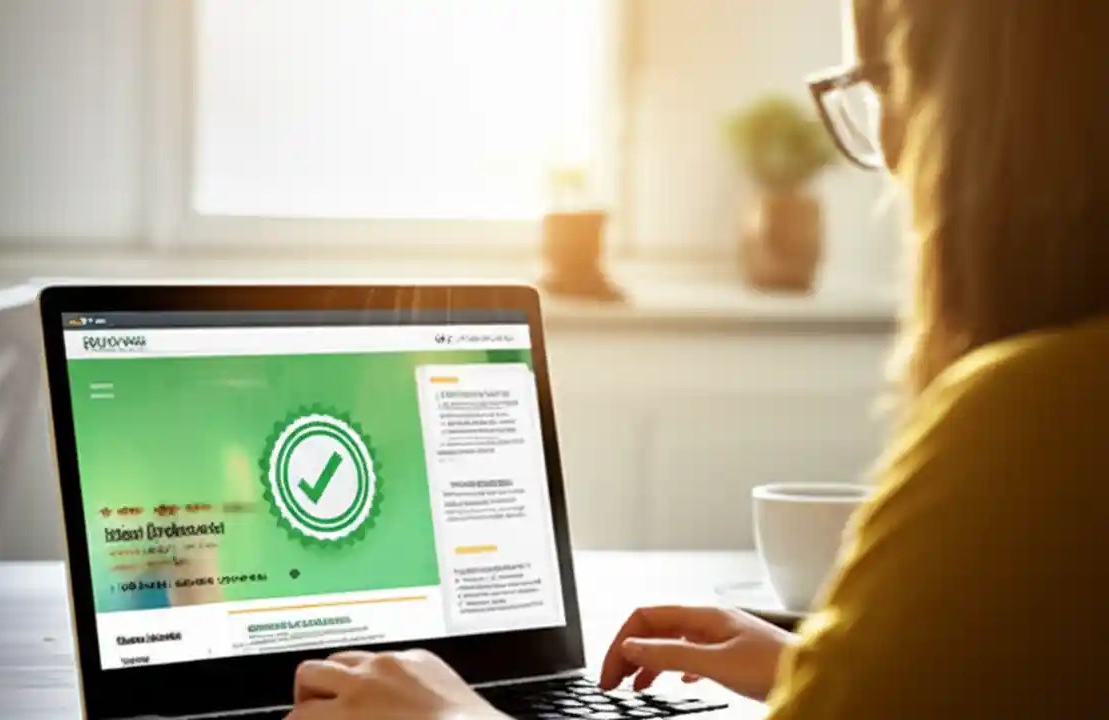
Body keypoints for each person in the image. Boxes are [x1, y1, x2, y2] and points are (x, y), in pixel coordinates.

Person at [287, 0, 1109, 717]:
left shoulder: (1033, 424)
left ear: (978, 98)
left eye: (881, 82)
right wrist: (829, 673)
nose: (890, 149)